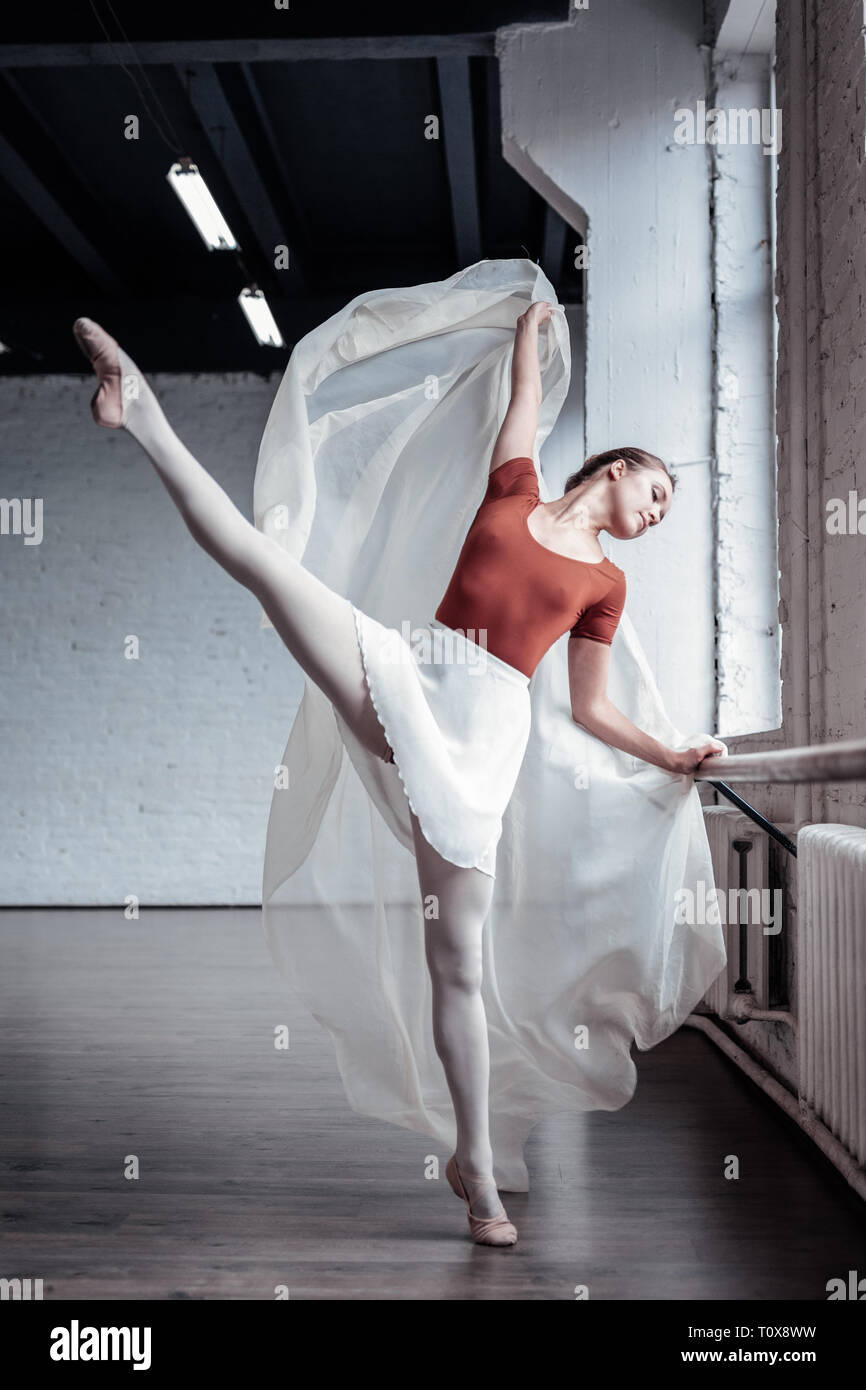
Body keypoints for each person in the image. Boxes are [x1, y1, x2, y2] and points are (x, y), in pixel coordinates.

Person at [73, 277, 725, 1248]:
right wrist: (533, 323)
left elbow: (589, 707)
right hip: (409, 670)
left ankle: (472, 1164)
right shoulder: (515, 486)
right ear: (620, 466)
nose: (655, 511)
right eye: (657, 490)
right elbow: (522, 407)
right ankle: (144, 411)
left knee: (453, 964)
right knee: (265, 563)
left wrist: (670, 751)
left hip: (481, 745)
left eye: (665, 511)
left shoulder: (603, 584)